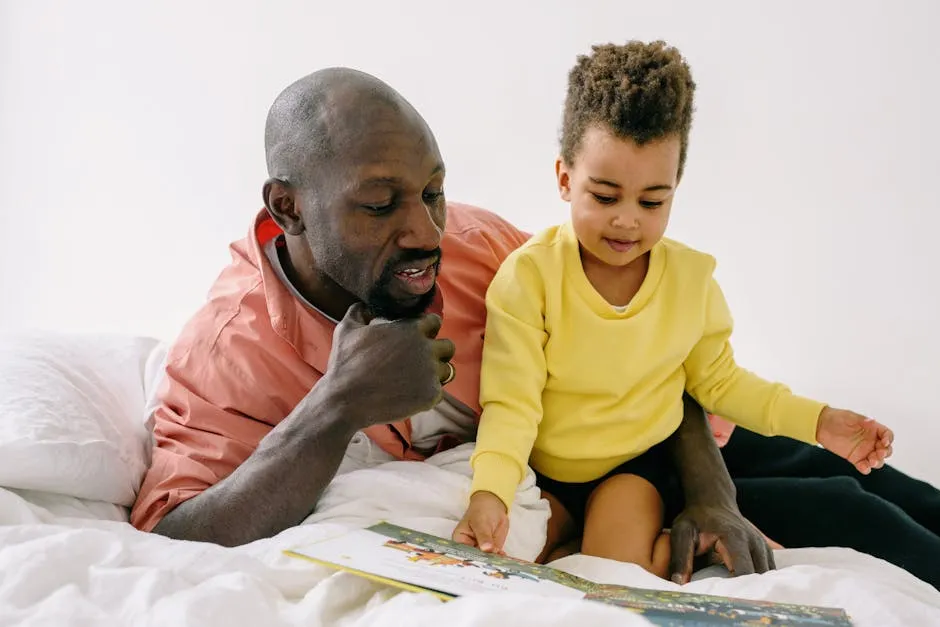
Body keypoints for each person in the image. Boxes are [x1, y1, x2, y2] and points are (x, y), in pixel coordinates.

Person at [129, 65, 939, 589]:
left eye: (433, 193)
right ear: (288, 208)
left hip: (652, 430)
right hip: (559, 492)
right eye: (380, 204)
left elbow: (652, 344)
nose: (424, 232)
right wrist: (335, 404)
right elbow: (174, 530)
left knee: (851, 490)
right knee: (845, 512)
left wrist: (709, 490)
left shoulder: (482, 250)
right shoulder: (229, 348)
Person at [452, 41, 893, 580]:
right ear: (565, 178)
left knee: (608, 568)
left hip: (635, 467)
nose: (627, 222)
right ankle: (579, 538)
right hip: (546, 471)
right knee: (513, 554)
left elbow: (722, 384)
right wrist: (491, 493)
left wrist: (819, 422)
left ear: (674, 191)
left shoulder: (689, 279)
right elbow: (510, 405)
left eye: (652, 201)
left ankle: (690, 544)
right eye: (605, 196)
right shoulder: (529, 278)